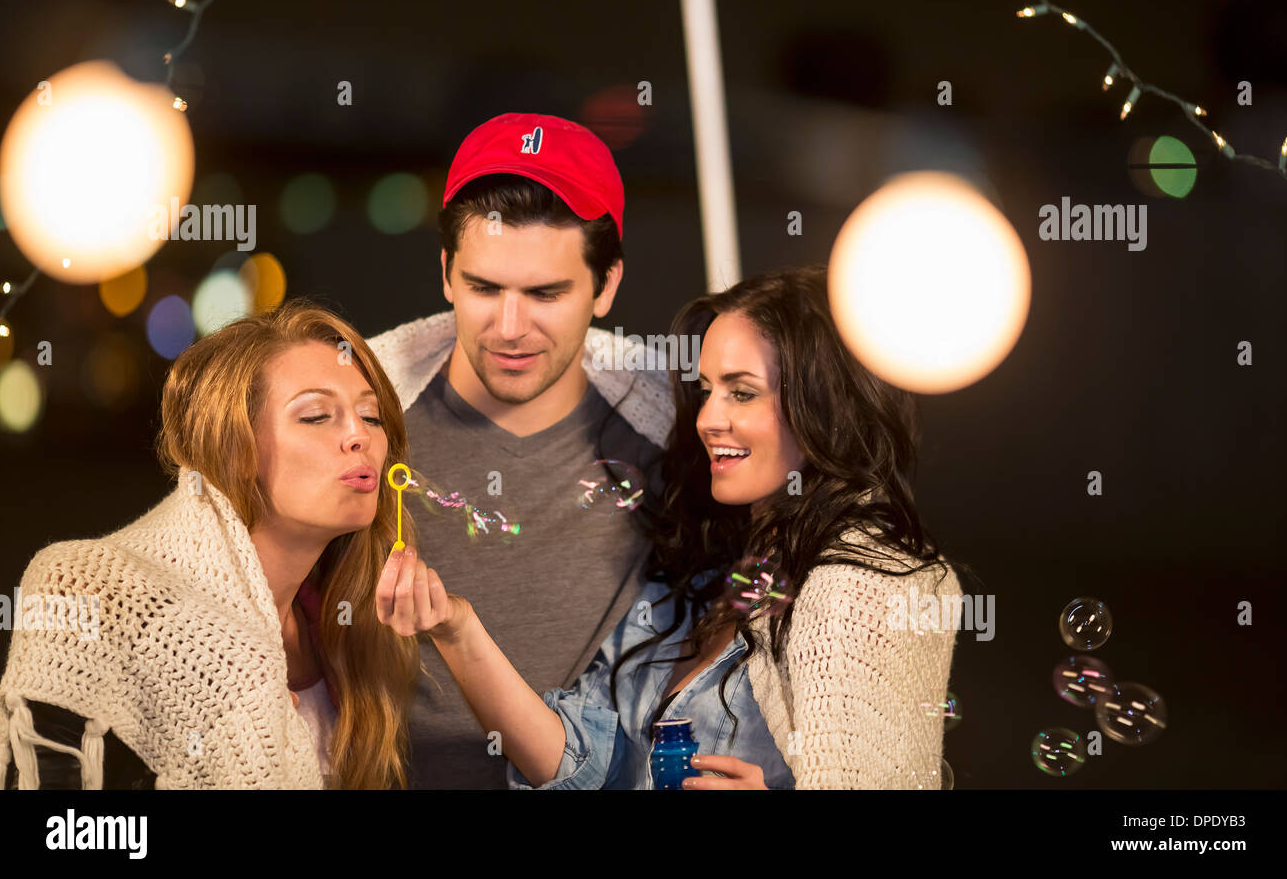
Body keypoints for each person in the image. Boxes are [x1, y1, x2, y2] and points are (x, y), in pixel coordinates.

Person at [378, 265, 973, 788]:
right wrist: (456, 629)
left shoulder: (869, 581)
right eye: (706, 390)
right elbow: (579, 760)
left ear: (824, 404)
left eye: (742, 393)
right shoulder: (707, 575)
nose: (709, 418)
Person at [0, 300, 421, 788]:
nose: (358, 436)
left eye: (370, 416)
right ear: (234, 448)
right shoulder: (88, 588)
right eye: (317, 415)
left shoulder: (349, 624)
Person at [367, 112, 673, 788]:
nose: (509, 328)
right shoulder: (364, 429)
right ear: (446, 274)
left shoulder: (671, 441)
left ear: (607, 285)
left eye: (545, 293)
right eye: (484, 288)